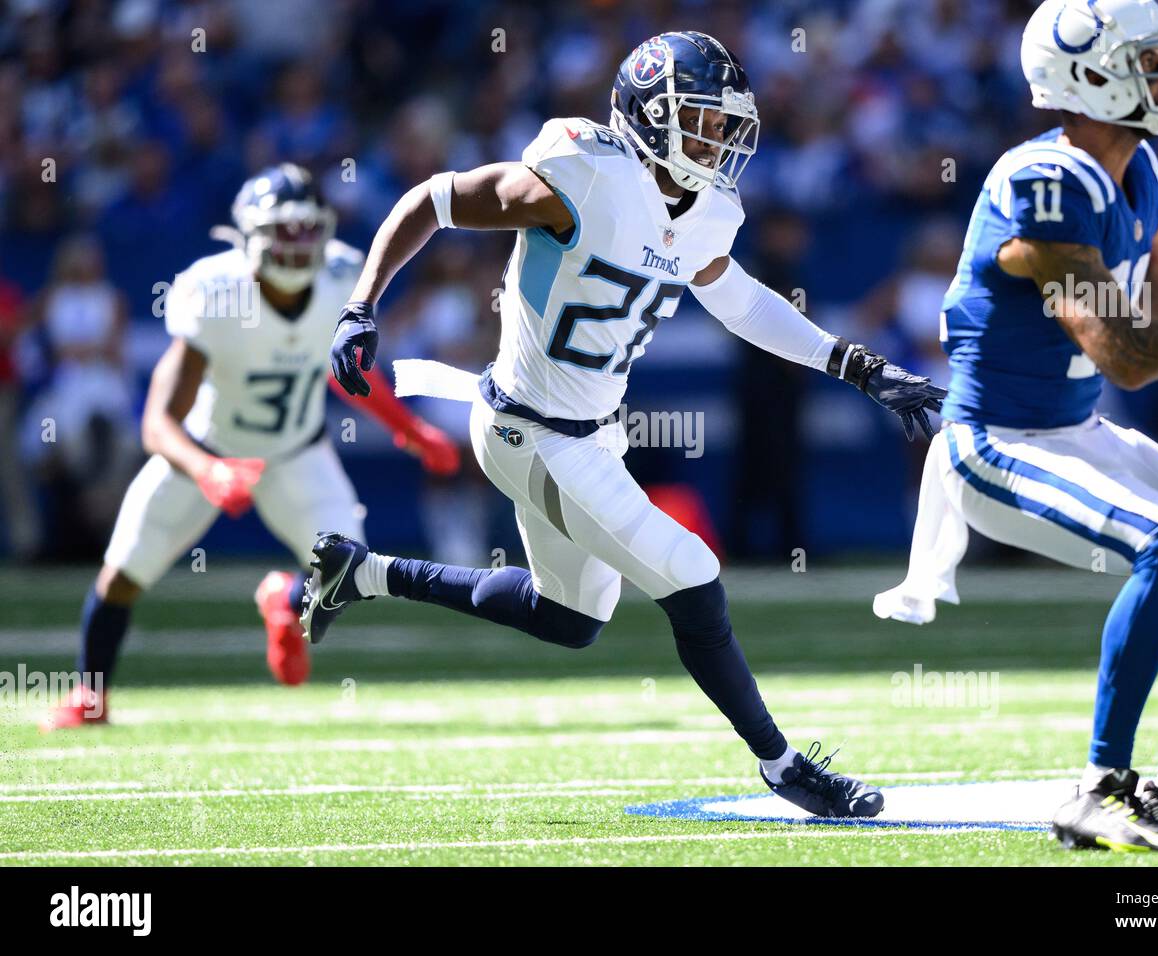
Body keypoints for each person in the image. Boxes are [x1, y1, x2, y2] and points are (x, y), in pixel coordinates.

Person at [303, 32, 944, 818]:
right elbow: (432, 201)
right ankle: (783, 768)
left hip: (591, 434)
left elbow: (738, 298)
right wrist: (360, 306)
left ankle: (361, 572)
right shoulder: (581, 175)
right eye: (703, 120)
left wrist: (859, 367)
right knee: (695, 576)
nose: (720, 139)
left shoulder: (709, 209)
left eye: (724, 124)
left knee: (567, 619)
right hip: (525, 430)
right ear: (651, 115)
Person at [874, 0, 1158, 849]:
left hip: (1072, 430)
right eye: (1145, 60)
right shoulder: (1044, 187)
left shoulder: (1134, 171)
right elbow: (1132, 357)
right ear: (1089, 76)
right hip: (995, 442)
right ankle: (1098, 786)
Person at [45, 164, 458, 730]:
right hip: (205, 448)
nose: (297, 243)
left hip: (297, 451)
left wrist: (407, 428)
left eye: (307, 229)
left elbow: (342, 367)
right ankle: (88, 699)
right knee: (122, 573)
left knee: (349, 572)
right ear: (248, 237)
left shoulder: (342, 274)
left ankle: (283, 601)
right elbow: (158, 425)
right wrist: (208, 470)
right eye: (282, 230)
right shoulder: (214, 291)